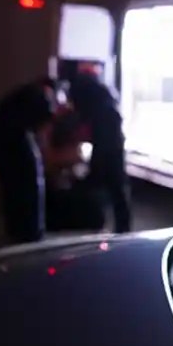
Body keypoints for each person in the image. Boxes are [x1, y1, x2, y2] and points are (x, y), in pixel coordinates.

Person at [0, 77, 82, 243]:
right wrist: (46, 164)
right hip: (9, 134)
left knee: (11, 182)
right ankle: (31, 232)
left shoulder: (33, 91)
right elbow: (42, 137)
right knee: (29, 181)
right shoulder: (45, 99)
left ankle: (16, 229)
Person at [66, 65, 132, 233]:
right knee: (116, 190)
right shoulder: (104, 99)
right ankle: (119, 228)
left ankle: (98, 222)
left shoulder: (94, 103)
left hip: (107, 148)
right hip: (113, 147)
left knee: (101, 184)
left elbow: (91, 128)